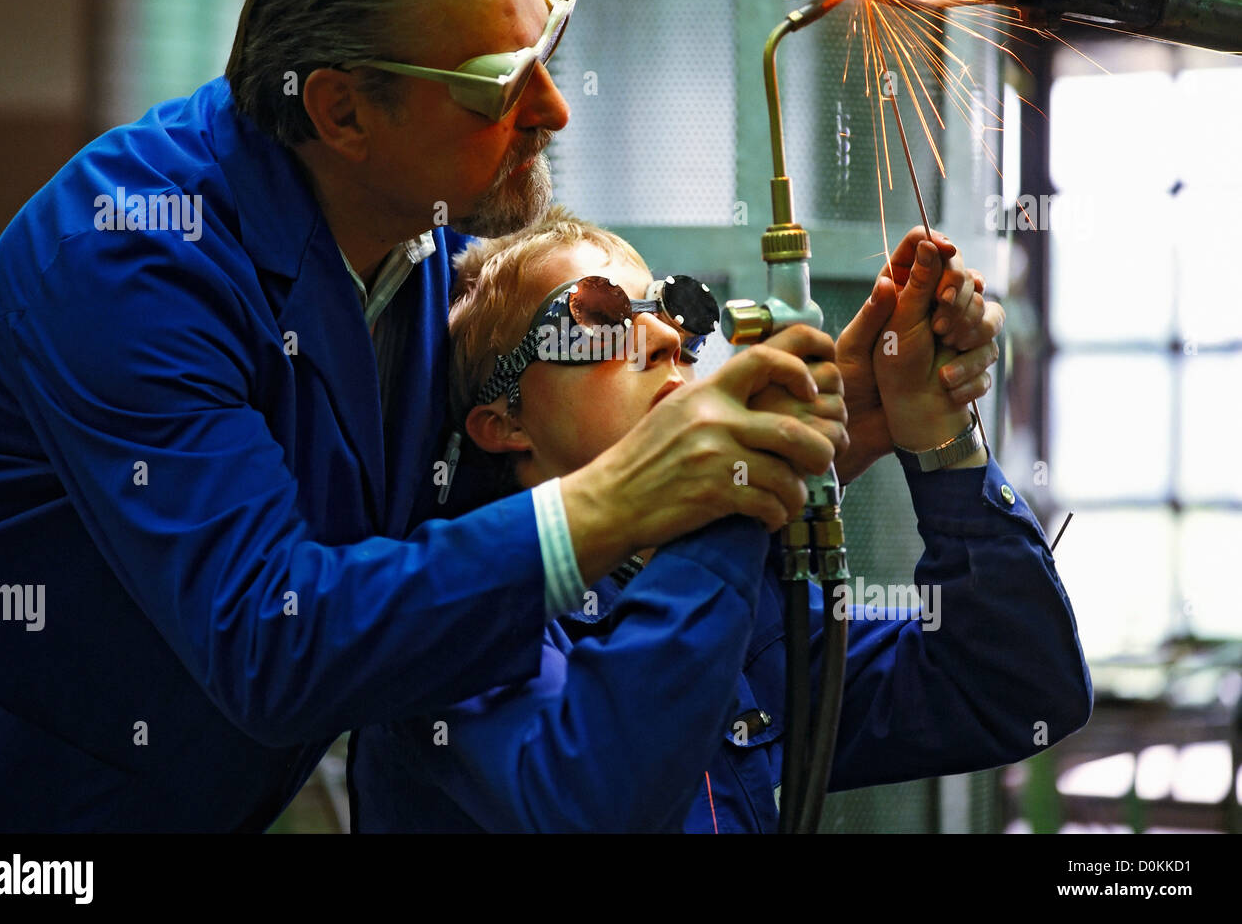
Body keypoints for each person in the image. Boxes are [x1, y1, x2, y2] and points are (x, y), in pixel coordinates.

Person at [0, 0, 1003, 832]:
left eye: (550, 41)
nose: (552, 110)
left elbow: (440, 515)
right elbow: (273, 640)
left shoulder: (419, 239)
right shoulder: (130, 258)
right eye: (500, 83)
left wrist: (846, 410)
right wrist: (635, 496)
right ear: (343, 111)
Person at [349, 209, 1092, 833]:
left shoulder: (746, 614)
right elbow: (595, 794)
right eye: (599, 317)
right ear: (502, 421)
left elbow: (1016, 686)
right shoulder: (449, 626)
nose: (669, 339)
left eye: (676, 312)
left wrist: (936, 437)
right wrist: (737, 496)